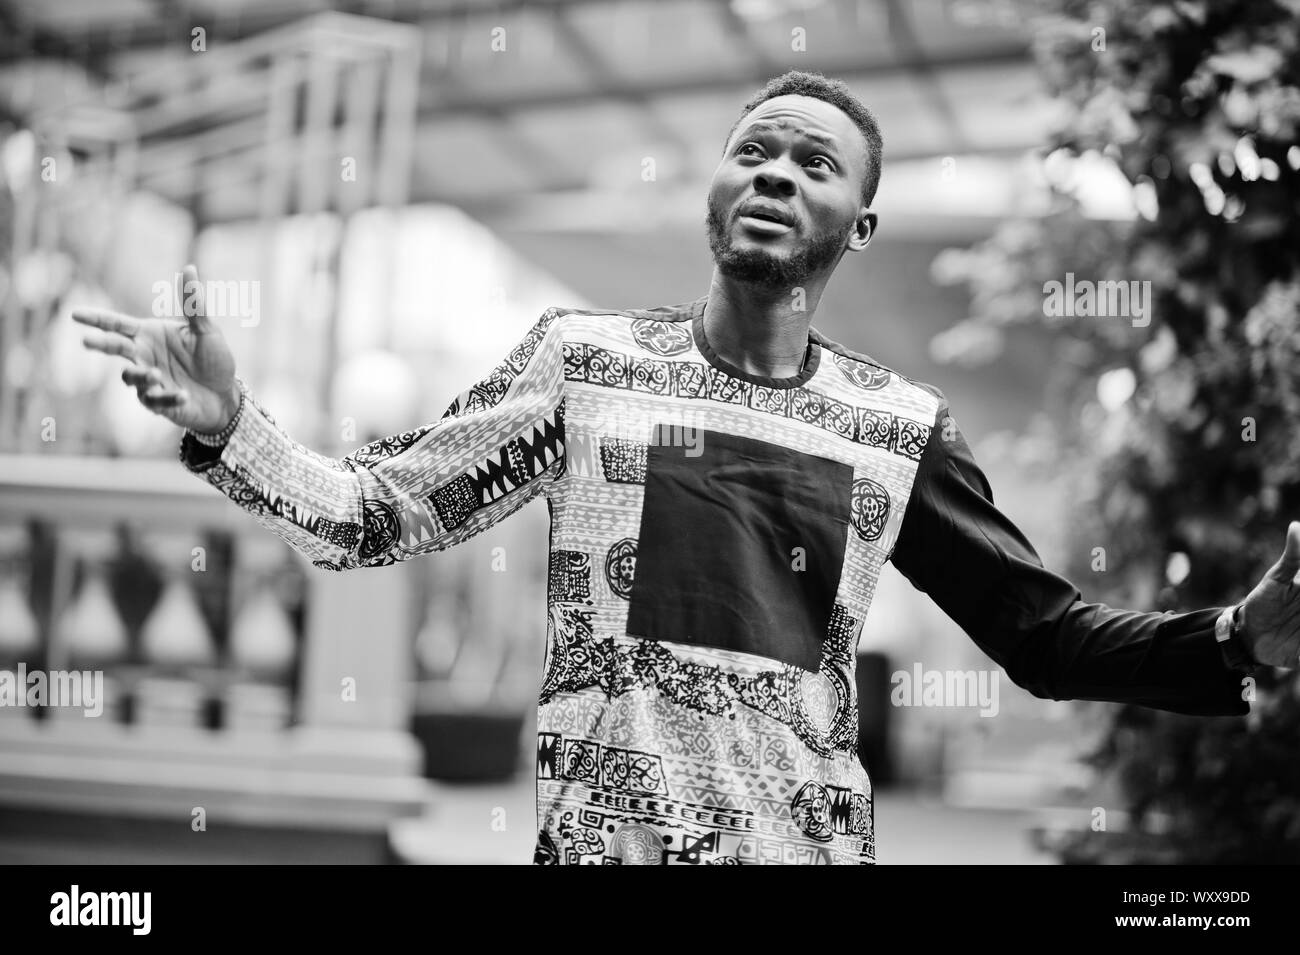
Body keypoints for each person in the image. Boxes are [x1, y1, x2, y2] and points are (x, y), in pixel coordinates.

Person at [73, 70, 1299, 865]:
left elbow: (1047, 639)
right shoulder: (580, 364)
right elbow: (372, 516)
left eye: (814, 164)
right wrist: (233, 429)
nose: (775, 172)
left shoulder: (897, 427)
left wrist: (1236, 639)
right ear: (715, 190)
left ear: (857, 228)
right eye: (755, 150)